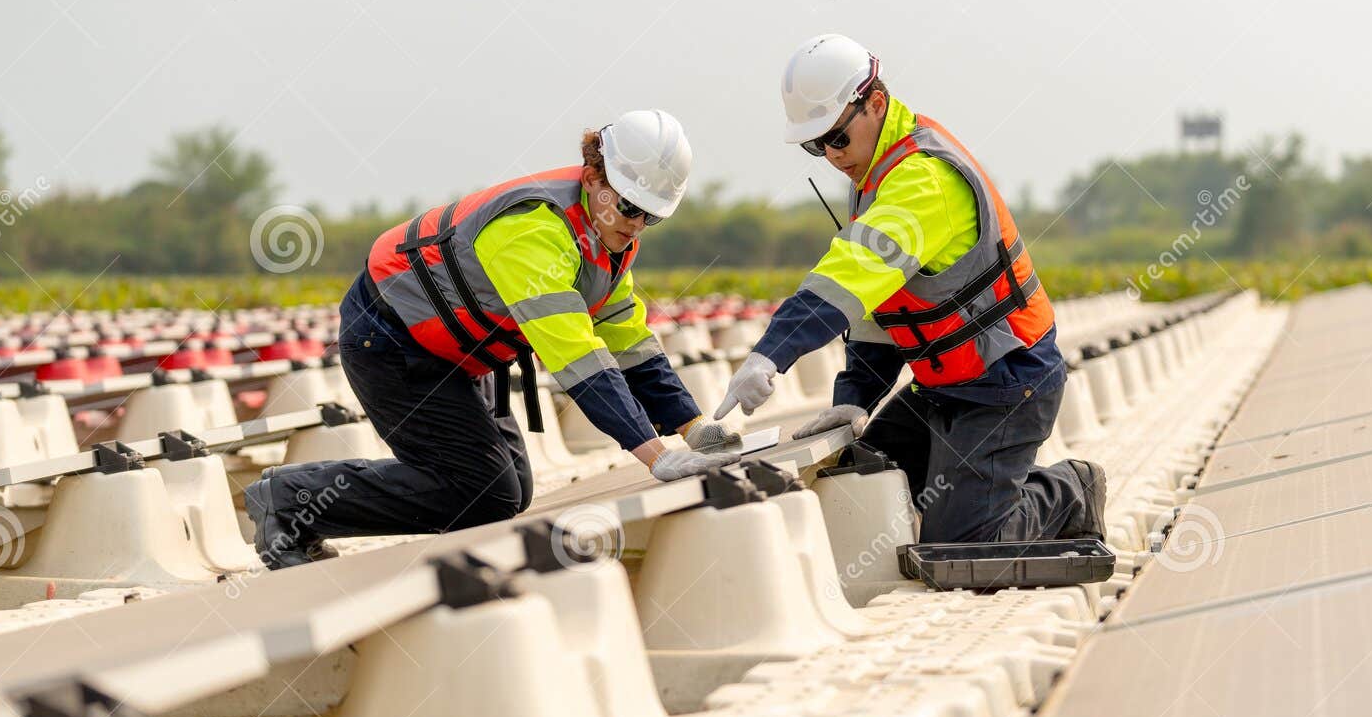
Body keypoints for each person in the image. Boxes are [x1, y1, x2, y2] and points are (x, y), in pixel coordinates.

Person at [247, 109, 740, 569]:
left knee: (510, 490)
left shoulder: (607, 243)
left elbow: (630, 344)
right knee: (484, 493)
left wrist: (695, 429)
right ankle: (290, 502)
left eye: (650, 217)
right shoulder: (532, 232)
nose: (635, 227)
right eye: (630, 208)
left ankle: (296, 500)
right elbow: (579, 359)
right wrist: (656, 457)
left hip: (457, 355)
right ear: (593, 179)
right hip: (391, 339)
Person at [715, 35, 1105, 545]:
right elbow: (880, 309)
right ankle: (979, 494)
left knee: (966, 541)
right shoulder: (876, 176)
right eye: (817, 147)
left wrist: (771, 354)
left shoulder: (922, 180)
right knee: (862, 479)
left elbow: (849, 273)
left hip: (1008, 382)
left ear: (874, 103)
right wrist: (857, 396)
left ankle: (1073, 488)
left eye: (836, 138)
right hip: (946, 387)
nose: (832, 157)